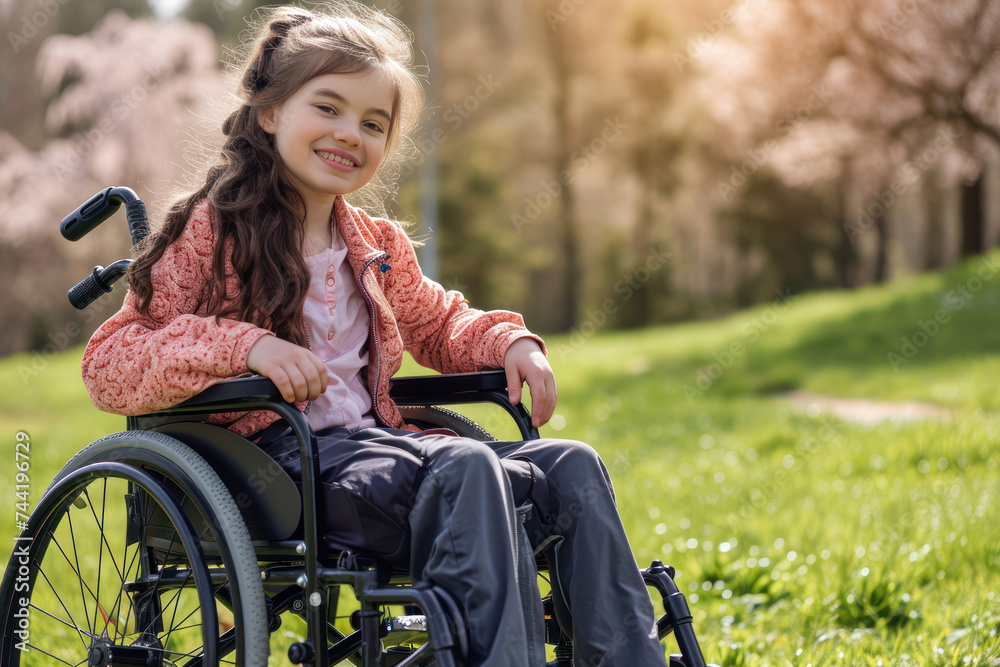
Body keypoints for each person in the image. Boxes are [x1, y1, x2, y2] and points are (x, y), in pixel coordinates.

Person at [80, 2, 668, 665]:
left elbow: (441, 323)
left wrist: (509, 342)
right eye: (327, 108)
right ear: (271, 113)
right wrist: (246, 347)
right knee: (466, 464)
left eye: (372, 123)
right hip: (275, 470)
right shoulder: (213, 232)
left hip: (375, 454)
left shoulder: (376, 244)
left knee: (571, 465)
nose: (349, 134)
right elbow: (111, 359)